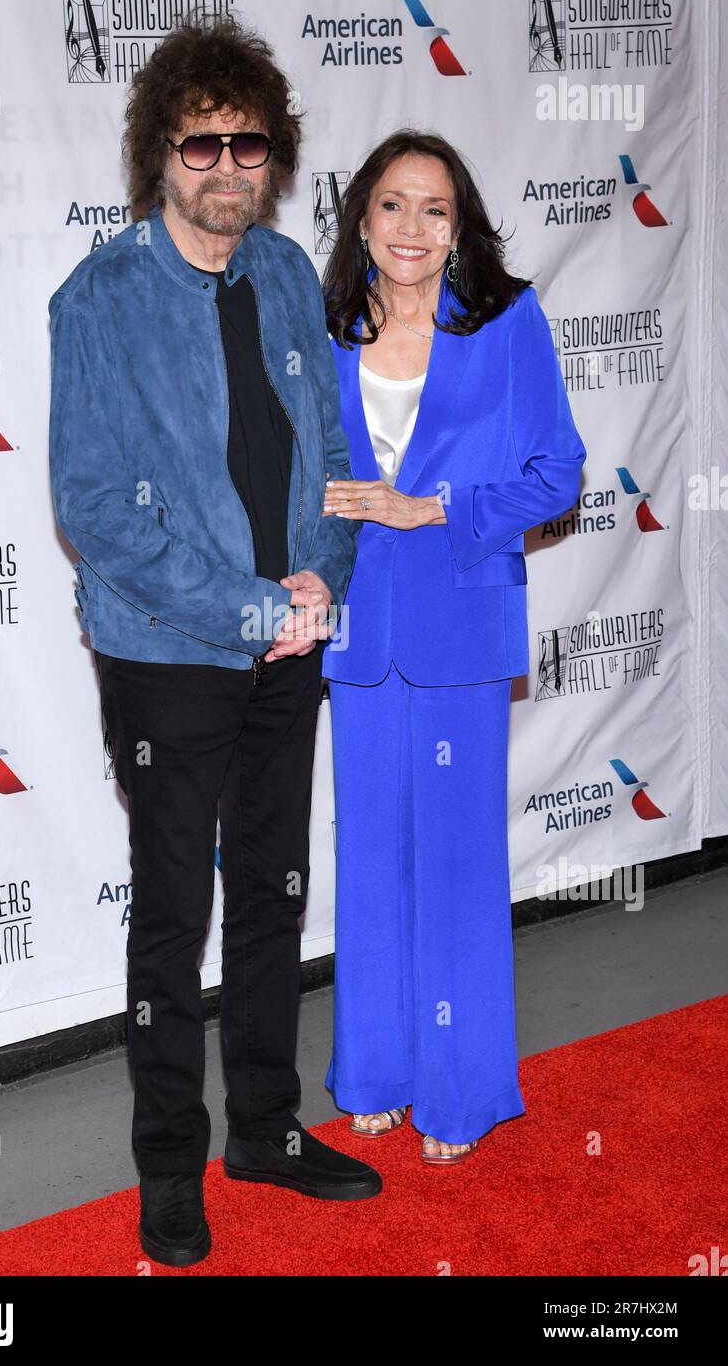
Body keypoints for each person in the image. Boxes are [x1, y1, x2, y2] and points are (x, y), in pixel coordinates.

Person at [47, 14, 378, 1269]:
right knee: (173, 917)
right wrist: (252, 607)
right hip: (165, 658)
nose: (225, 164)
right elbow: (97, 515)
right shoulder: (101, 300)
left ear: (273, 153)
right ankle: (168, 1167)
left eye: (247, 141)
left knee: (273, 897)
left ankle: (266, 1129)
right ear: (159, 152)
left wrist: (318, 585)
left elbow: (335, 462)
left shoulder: (289, 273)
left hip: (286, 653)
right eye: (201, 142)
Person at [318, 129, 587, 1165]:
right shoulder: (328, 324)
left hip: (462, 623)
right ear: (361, 218)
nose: (411, 228)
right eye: (392, 205)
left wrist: (432, 508)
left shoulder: (505, 323)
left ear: (459, 224)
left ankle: (462, 1091)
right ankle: (376, 1072)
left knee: (459, 864)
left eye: (434, 209)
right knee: (370, 857)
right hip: (356, 634)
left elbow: (555, 473)